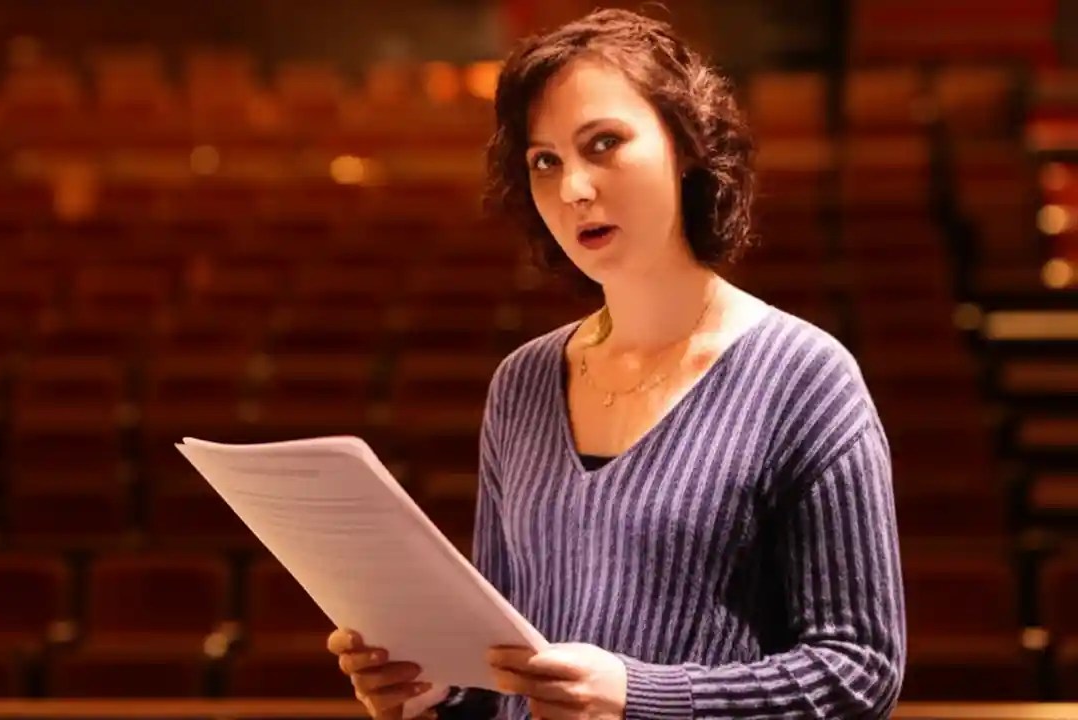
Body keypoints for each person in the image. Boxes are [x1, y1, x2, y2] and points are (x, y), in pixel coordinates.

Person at [327, 7, 904, 720]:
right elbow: (504, 672)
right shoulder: (522, 383)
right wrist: (432, 693)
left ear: (686, 145)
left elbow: (859, 672)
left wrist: (639, 696)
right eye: (545, 162)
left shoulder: (806, 379)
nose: (573, 188)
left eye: (604, 143)